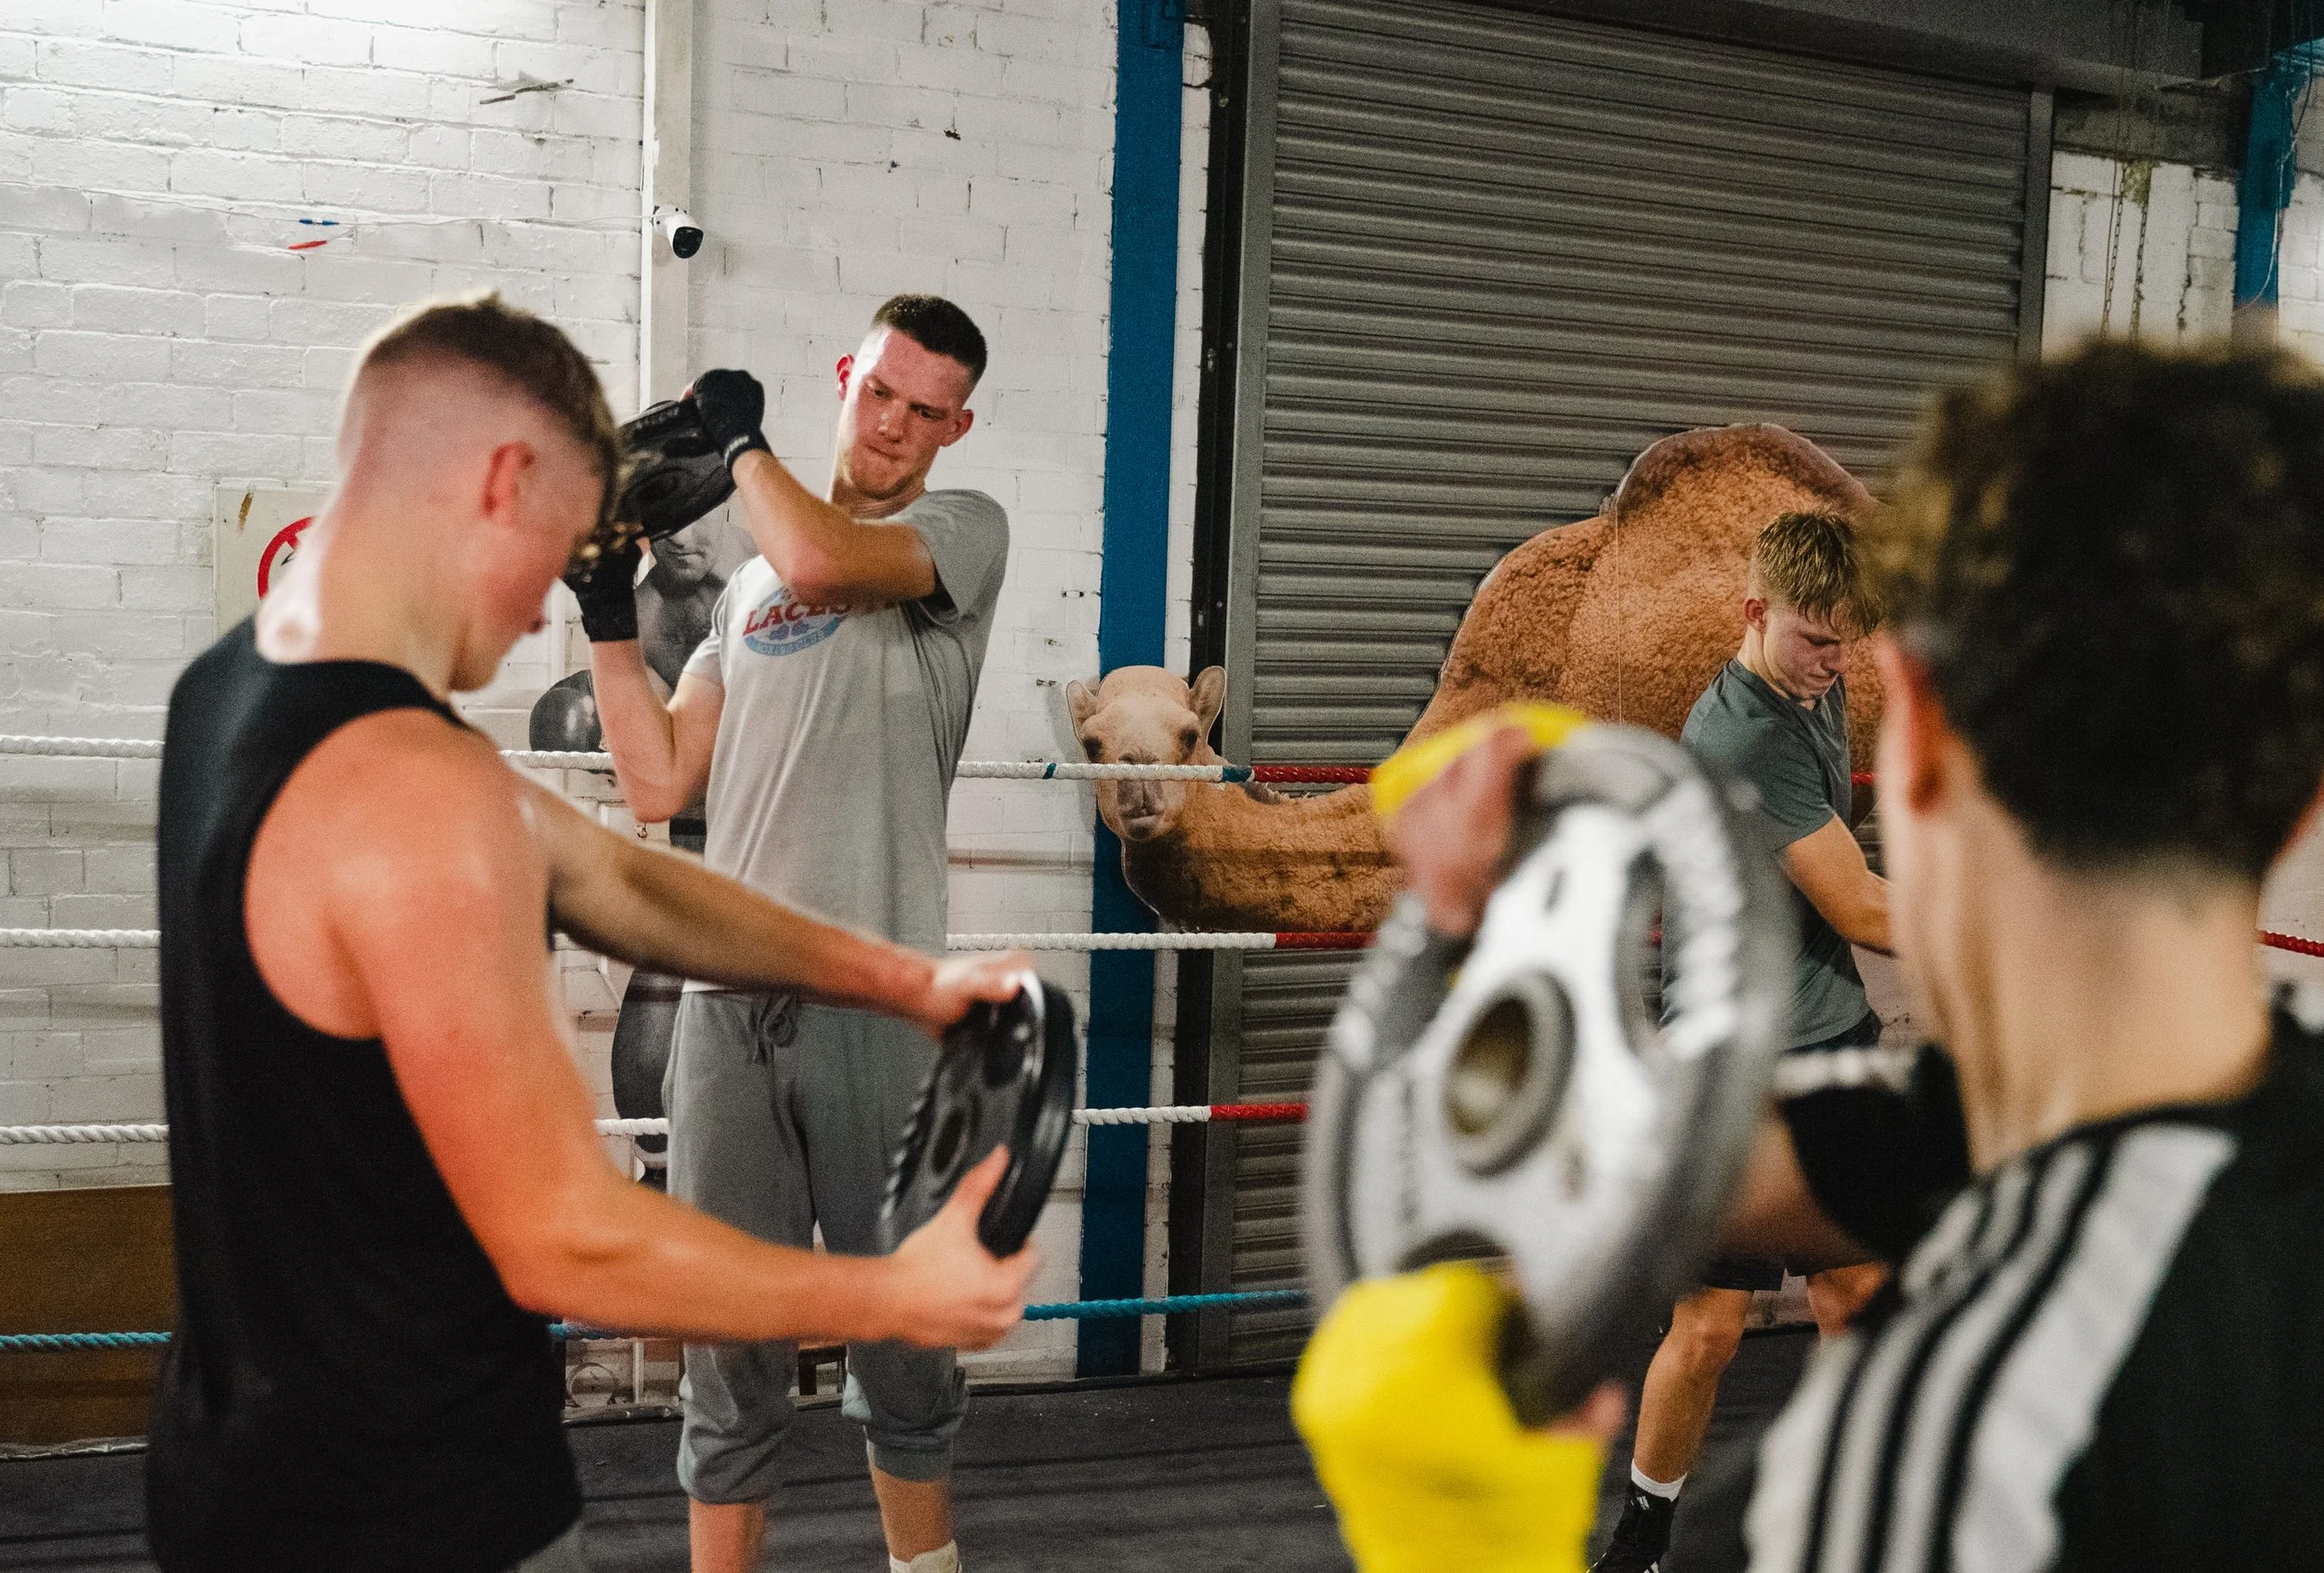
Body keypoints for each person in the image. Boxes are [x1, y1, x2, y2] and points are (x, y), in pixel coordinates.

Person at [1296, 339, 2324, 1572]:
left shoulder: (1858, 1509)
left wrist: (1457, 1545)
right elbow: (1909, 1132)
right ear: (2306, 796)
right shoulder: (2218, 1136)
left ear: (1924, 738)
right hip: (1778, 1044)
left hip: (1793, 1035)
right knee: (1741, 1313)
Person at [147, 292, 1039, 1573]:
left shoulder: (231, 688)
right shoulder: (421, 782)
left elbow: (618, 879)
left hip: (235, 1463)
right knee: (777, 1358)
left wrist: (895, 976)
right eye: (562, 544)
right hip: (411, 1494)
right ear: (506, 478)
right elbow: (567, 1230)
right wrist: (890, 1294)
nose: (532, 619)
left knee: (900, 1390)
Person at [573, 295, 1008, 1573]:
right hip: (727, 1017)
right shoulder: (745, 596)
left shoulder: (956, 534)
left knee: (905, 1351)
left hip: (872, 1010)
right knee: (728, 1351)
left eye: (930, 411)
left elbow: (826, 558)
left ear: (958, 427)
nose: (896, 427)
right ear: (847, 375)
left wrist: (741, 446)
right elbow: (657, 778)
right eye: (881, 392)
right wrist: (606, 609)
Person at [1593, 510, 1892, 1573]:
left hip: (1827, 1043)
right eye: (1815, 638)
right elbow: (1860, 910)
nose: (1834, 661)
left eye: (1846, 639)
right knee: (1710, 1329)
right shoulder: (1742, 736)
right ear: (1752, 613)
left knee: (1855, 1297)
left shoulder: (1817, 681)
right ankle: (1645, 1533)